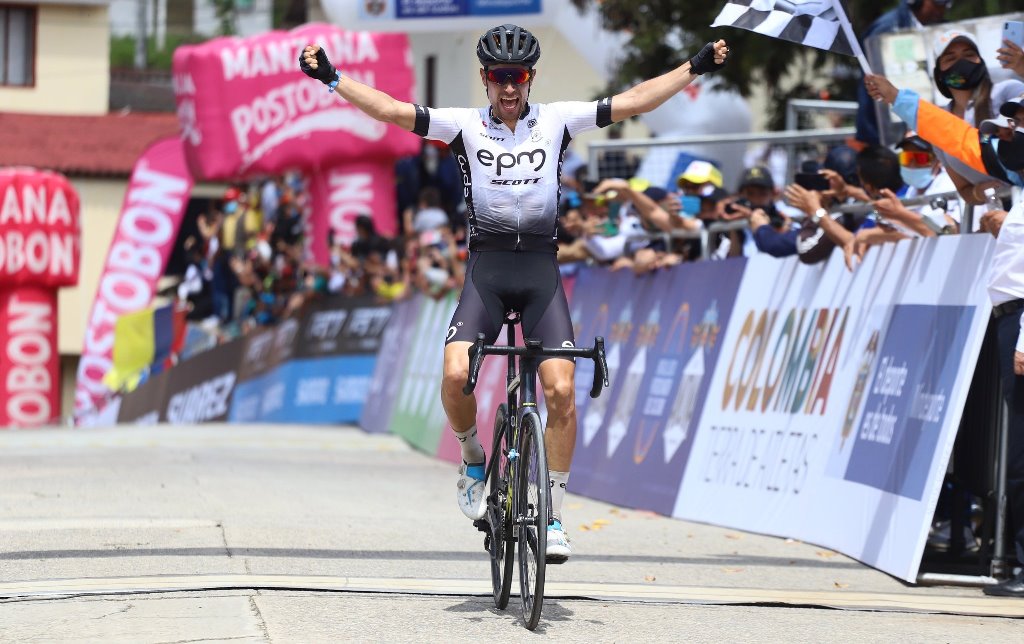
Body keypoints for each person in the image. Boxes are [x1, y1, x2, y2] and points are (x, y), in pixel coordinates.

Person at [301, 25, 728, 562]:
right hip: (488, 267)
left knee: (562, 391)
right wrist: (332, 78)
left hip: (541, 271)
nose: (510, 88)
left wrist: (695, 67)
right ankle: (474, 459)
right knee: (457, 373)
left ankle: (550, 514)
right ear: (485, 79)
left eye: (519, 77)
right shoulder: (463, 126)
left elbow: (634, 101)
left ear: (530, 79)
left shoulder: (557, 120)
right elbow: (389, 111)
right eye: (501, 77)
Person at [855, 0, 950, 145]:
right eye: (938, 2)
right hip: (893, 130)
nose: (942, 9)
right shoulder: (887, 29)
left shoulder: (939, 27)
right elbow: (873, 87)